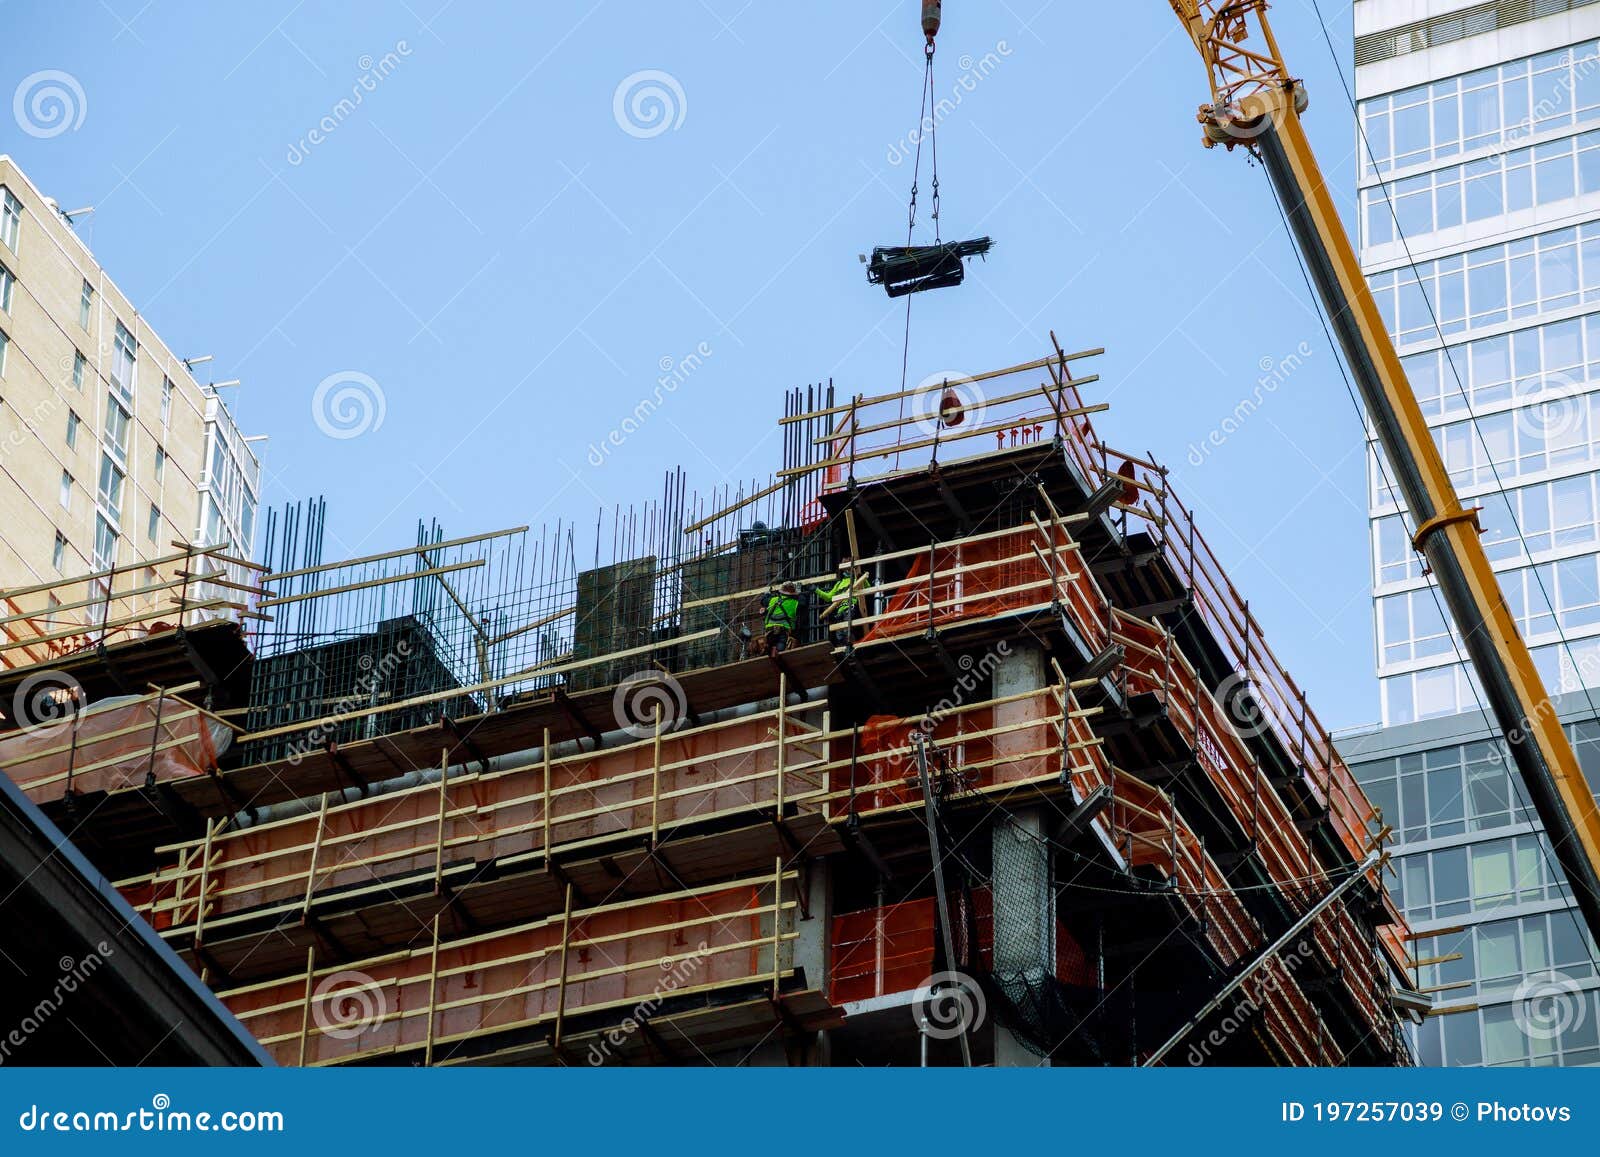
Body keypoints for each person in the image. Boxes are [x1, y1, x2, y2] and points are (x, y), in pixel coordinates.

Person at [819, 558, 866, 643]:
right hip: (840, 611)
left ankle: (853, 651)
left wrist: (862, 579)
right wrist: (816, 590)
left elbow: (867, 588)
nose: (847, 569)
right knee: (840, 636)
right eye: (845, 567)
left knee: (847, 631)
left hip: (850, 608)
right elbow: (829, 597)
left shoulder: (855, 580)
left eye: (848, 567)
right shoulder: (839, 584)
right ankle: (846, 653)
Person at [762, 581, 801, 654]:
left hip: (770, 632)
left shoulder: (773, 600)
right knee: (781, 651)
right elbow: (803, 603)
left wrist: (766, 593)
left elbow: (763, 600)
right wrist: (800, 593)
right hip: (784, 632)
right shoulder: (795, 603)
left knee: (767, 650)